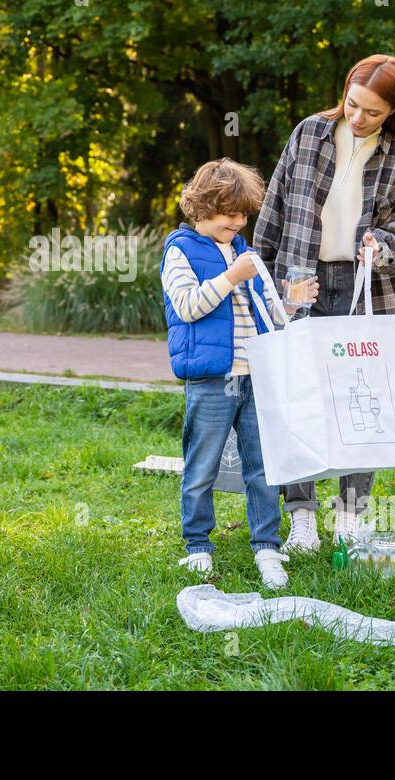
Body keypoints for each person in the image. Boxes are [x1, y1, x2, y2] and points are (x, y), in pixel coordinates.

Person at [254, 54, 395, 553]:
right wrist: (265, 277)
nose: (358, 118)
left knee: (361, 402)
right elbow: (275, 209)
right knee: (299, 397)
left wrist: (383, 245)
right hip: (299, 282)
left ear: (393, 109)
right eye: (353, 105)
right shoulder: (309, 133)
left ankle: (350, 518)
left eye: (372, 112)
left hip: (365, 290)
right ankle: (303, 518)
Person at [161, 158, 318, 589]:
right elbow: (188, 306)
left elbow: (270, 315)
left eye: (244, 213)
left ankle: (266, 546)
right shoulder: (180, 249)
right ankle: (197, 545)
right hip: (212, 378)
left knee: (262, 466)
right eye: (231, 212)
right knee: (202, 466)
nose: (239, 220)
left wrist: (291, 304)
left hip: (257, 376)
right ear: (203, 206)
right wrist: (231, 276)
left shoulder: (245, 252)